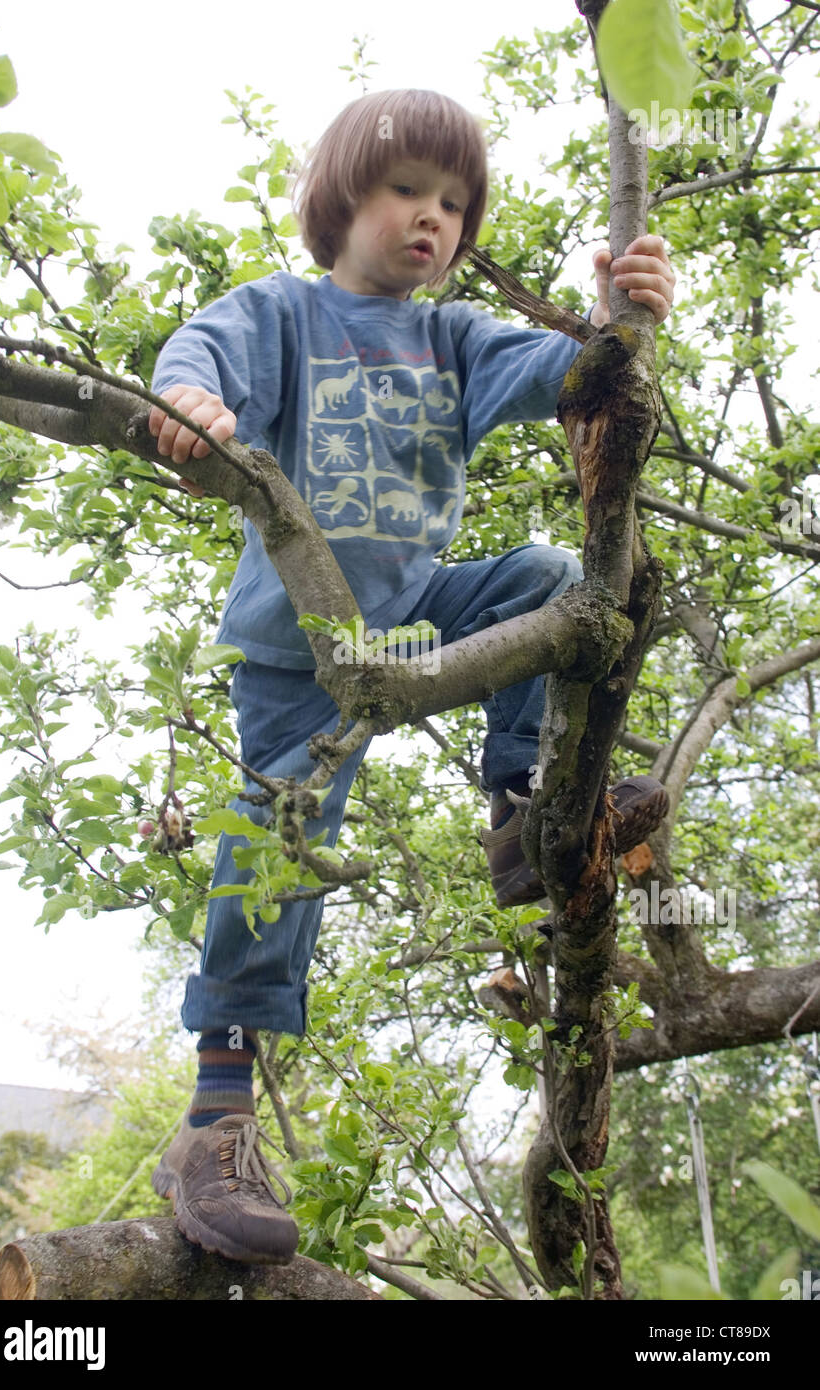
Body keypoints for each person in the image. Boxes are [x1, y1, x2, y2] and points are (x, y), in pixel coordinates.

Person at [146, 89, 675, 1266]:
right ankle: (215, 1115)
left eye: (451, 204)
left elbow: (574, 378)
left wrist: (622, 317)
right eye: (405, 192)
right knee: (274, 851)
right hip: (301, 647)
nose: (430, 220)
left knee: (551, 574)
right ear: (341, 198)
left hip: (411, 628)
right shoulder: (285, 314)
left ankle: (522, 813)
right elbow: (201, 350)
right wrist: (189, 402)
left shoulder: (452, 337)